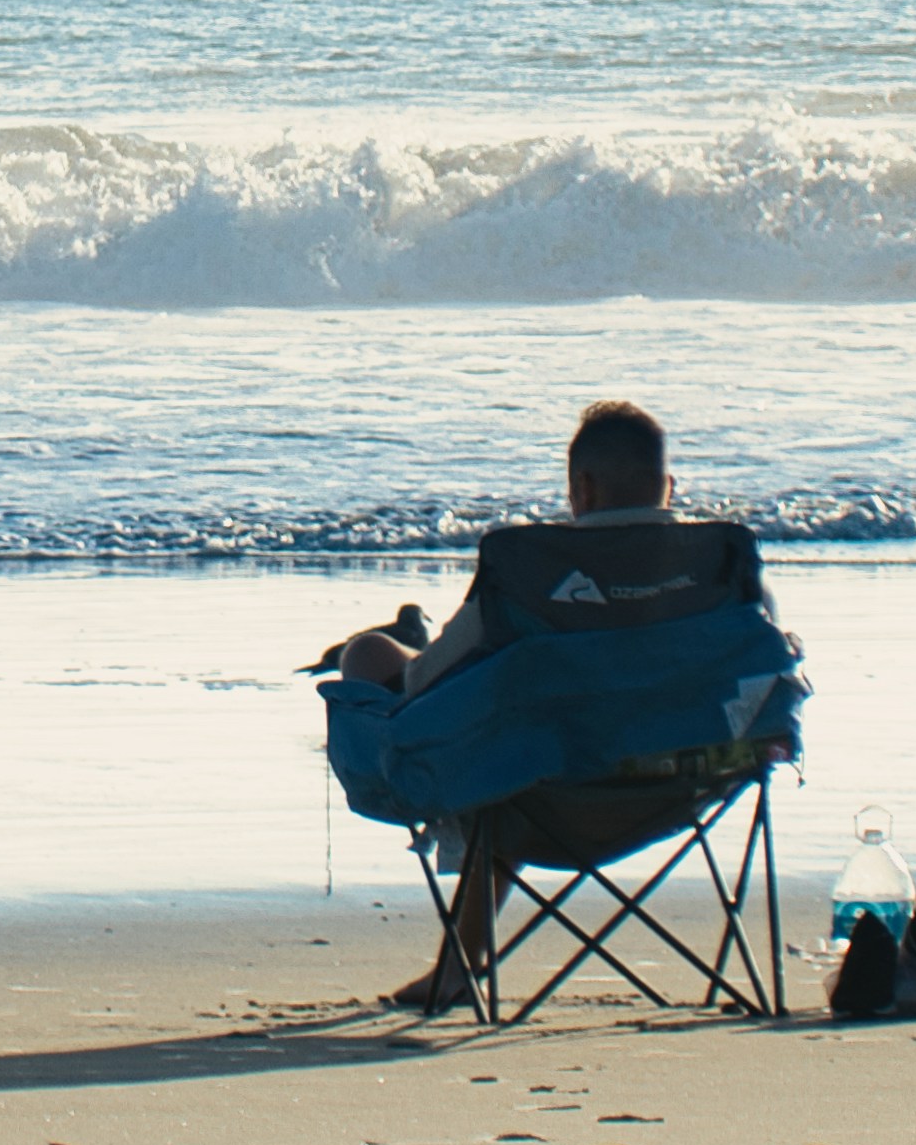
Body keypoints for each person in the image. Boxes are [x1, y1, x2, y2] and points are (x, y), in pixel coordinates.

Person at [318, 399, 782, 1014]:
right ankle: (460, 966)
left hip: (540, 793)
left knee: (382, 662)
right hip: (689, 786)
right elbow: (764, 665)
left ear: (580, 488)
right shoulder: (724, 563)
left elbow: (428, 682)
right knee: (534, 741)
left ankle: (459, 967)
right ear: (669, 488)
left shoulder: (531, 570)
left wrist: (395, 662)